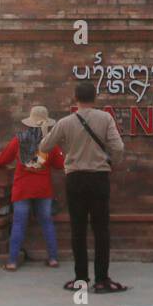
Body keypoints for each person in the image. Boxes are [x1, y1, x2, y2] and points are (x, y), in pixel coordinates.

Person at [37, 81, 127, 293]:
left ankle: (81, 278)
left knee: (78, 230)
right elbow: (119, 147)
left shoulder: (65, 122)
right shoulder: (105, 119)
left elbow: (44, 147)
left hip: (75, 178)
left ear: (75, 98)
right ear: (95, 98)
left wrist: (59, 141)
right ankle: (102, 280)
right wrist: (111, 163)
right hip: (99, 178)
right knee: (101, 230)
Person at [0, 106, 63, 272]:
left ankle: (12, 261)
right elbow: (60, 165)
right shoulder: (49, 142)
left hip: (22, 188)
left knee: (18, 224)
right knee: (47, 222)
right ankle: (53, 258)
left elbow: (2, 160)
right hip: (43, 189)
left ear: (29, 123)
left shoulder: (19, 139)